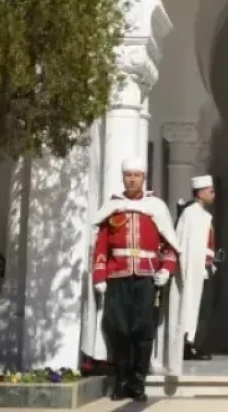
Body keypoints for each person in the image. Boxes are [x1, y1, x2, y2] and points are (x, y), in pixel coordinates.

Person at [91, 158, 180, 402]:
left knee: (143, 329)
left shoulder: (156, 207)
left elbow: (169, 243)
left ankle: (138, 381)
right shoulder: (112, 207)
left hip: (146, 277)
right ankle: (121, 380)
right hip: (117, 276)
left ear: (144, 177)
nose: (132, 179)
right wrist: (99, 274)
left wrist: (166, 269)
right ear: (123, 178)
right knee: (119, 329)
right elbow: (100, 247)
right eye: (128, 175)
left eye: (136, 175)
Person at [169, 174, 218, 363]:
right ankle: (190, 345)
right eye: (210, 191)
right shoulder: (191, 214)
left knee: (203, 308)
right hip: (195, 269)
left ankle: (194, 343)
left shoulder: (202, 215)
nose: (213, 195)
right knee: (194, 306)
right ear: (200, 193)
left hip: (204, 269)